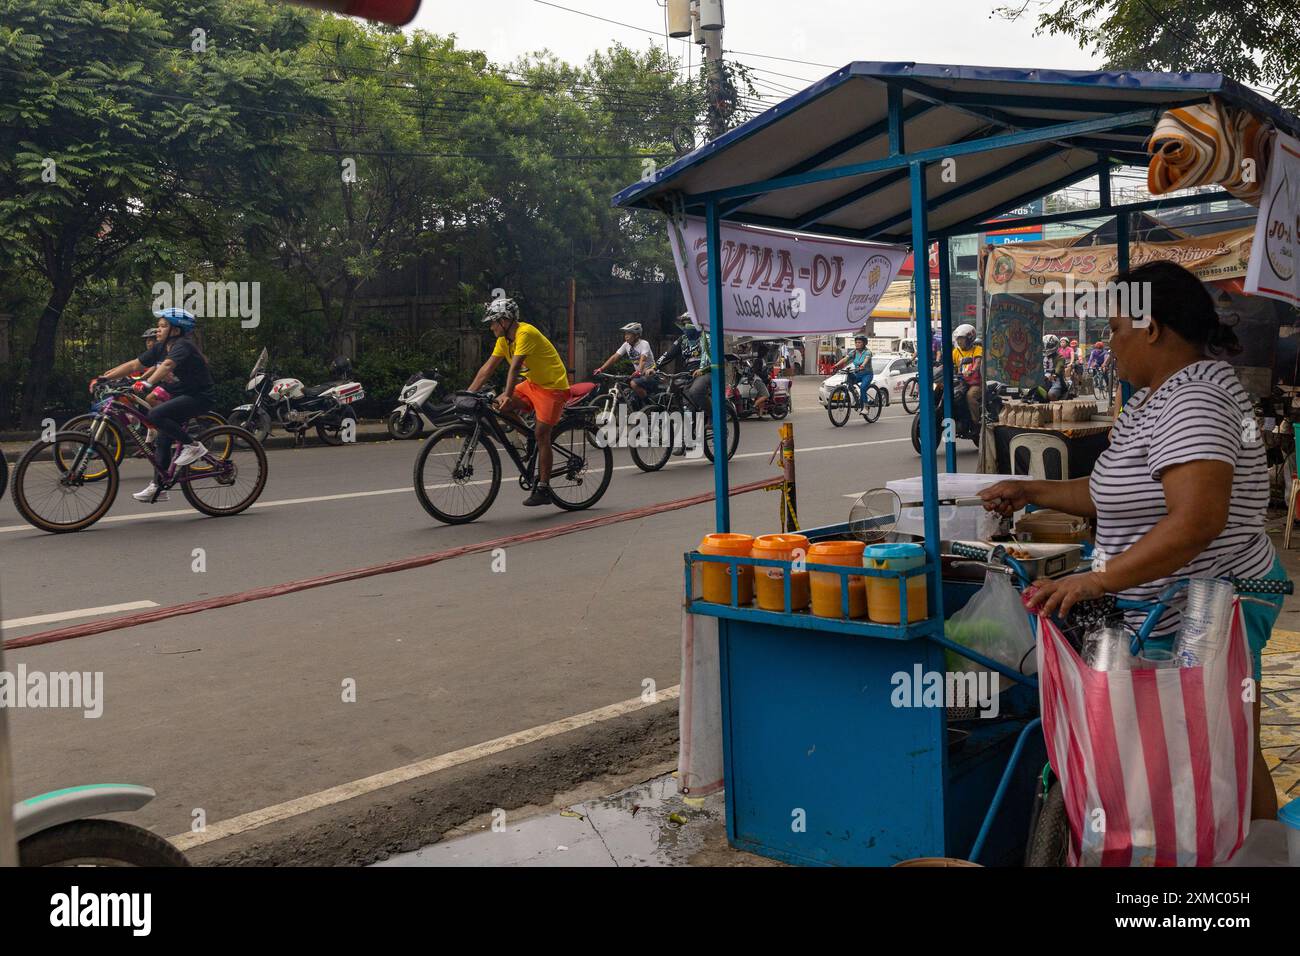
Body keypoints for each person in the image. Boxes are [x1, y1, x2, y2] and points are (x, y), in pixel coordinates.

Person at [979, 260, 1288, 820]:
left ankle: (1242, 858)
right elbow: (1106, 493)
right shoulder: (1153, 400)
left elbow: (1196, 521)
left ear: (1151, 327)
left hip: (1209, 604)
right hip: (1165, 601)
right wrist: (1031, 490)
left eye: (1117, 328)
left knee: (1218, 747)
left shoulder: (1196, 399)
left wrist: (1096, 579)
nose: (1110, 343)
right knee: (1209, 744)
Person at [92, 307, 215, 503]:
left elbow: (167, 366)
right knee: (162, 441)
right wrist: (103, 378)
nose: (158, 330)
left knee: (155, 415)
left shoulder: (183, 346)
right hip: (178, 397)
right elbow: (134, 365)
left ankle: (193, 446)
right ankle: (159, 487)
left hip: (199, 397)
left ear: (175, 330)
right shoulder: (160, 347)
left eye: (163, 326)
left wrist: (147, 383)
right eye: (158, 326)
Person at [467, 297, 571, 507]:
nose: (491, 327)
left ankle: (543, 488)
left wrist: (507, 394)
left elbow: (514, 368)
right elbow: (487, 369)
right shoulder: (503, 341)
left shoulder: (526, 333)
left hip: (553, 387)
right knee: (497, 405)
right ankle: (529, 437)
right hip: (533, 384)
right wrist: (468, 393)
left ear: (505, 321)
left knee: (543, 433)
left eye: (494, 322)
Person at [654, 312, 712, 413]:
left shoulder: (706, 336)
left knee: (696, 390)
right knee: (685, 400)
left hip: (706, 372)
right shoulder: (683, 339)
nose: (685, 327)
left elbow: (708, 355)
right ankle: (691, 424)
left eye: (688, 323)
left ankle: (713, 416)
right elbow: (669, 354)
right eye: (684, 324)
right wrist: (654, 367)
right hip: (689, 374)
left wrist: (702, 370)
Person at [593, 322, 654, 406]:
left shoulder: (644, 344)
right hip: (638, 375)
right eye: (625, 334)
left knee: (633, 383)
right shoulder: (626, 345)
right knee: (623, 387)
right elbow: (615, 357)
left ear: (636, 335)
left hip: (650, 374)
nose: (626, 336)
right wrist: (601, 369)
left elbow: (643, 360)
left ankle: (648, 405)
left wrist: (639, 371)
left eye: (629, 334)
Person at [951, 323, 983, 423]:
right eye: (958, 339)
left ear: (969, 338)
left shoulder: (977, 349)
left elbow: (977, 363)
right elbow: (950, 364)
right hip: (960, 383)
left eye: (962, 338)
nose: (959, 341)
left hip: (976, 383)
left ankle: (976, 422)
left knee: (970, 396)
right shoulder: (955, 351)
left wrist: (972, 370)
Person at [831, 335, 873, 409]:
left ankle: (866, 406)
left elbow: (866, 359)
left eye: (859, 342)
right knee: (848, 381)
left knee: (863, 388)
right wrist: (836, 365)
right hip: (858, 373)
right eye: (856, 342)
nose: (857, 344)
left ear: (864, 343)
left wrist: (862, 366)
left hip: (867, 374)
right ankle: (857, 397)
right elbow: (845, 359)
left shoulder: (868, 352)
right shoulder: (853, 352)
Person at [746, 343, 771, 416]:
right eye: (766, 352)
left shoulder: (761, 360)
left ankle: (760, 414)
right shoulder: (758, 360)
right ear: (763, 352)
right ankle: (754, 406)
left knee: (761, 397)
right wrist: (766, 376)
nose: (767, 353)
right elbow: (758, 371)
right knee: (766, 395)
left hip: (760, 380)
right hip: (758, 380)